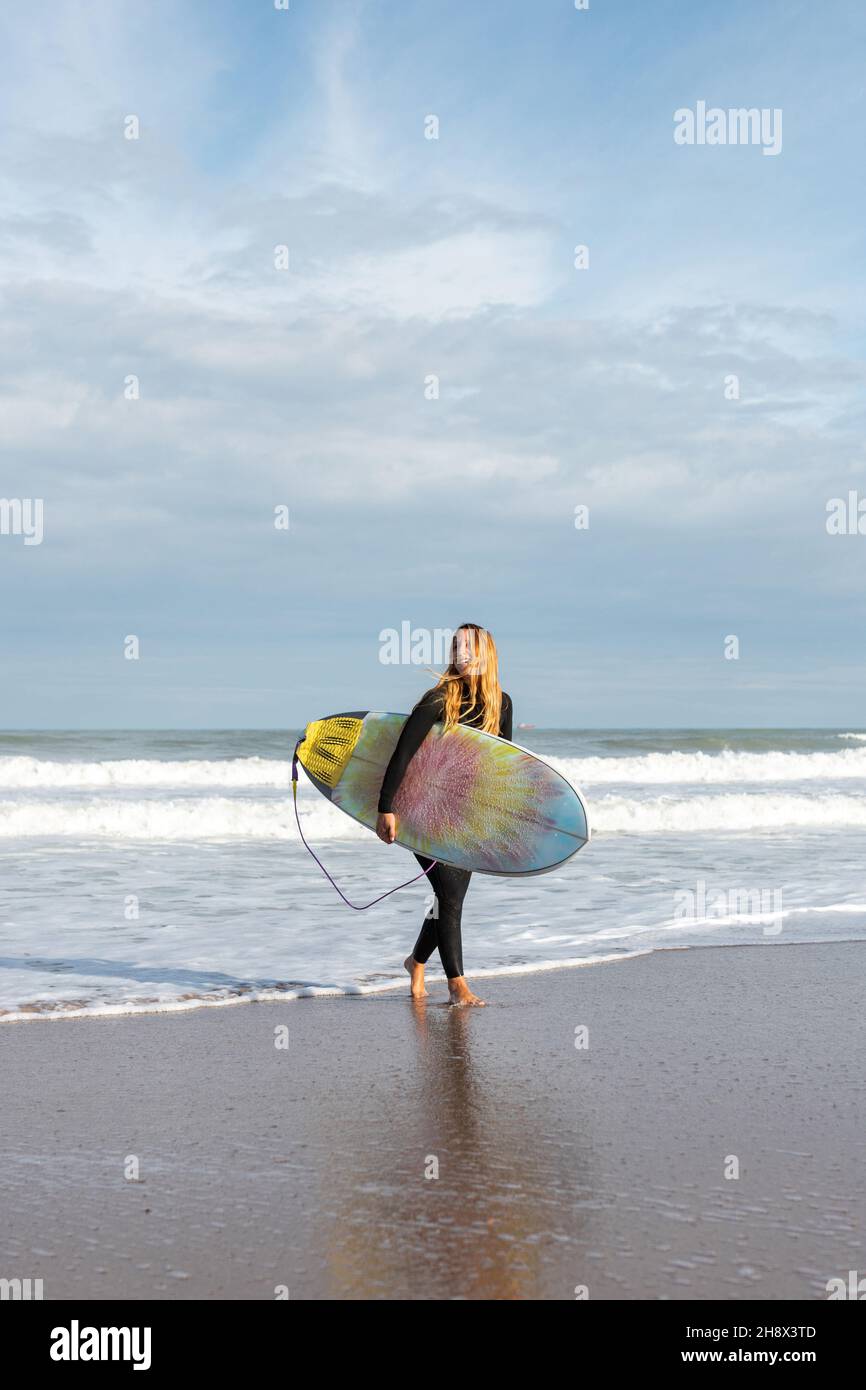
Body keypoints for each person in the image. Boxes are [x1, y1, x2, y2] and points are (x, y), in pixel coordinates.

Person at [375, 623, 512, 1007]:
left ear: (487, 654)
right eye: (456, 646)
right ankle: (458, 985)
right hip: (420, 807)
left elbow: (503, 767)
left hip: (465, 815)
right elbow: (401, 754)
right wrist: (386, 807)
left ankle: (416, 962)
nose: (461, 653)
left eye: (469, 647)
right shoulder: (438, 699)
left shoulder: (502, 705)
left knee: (450, 897)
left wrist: (500, 820)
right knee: (449, 893)